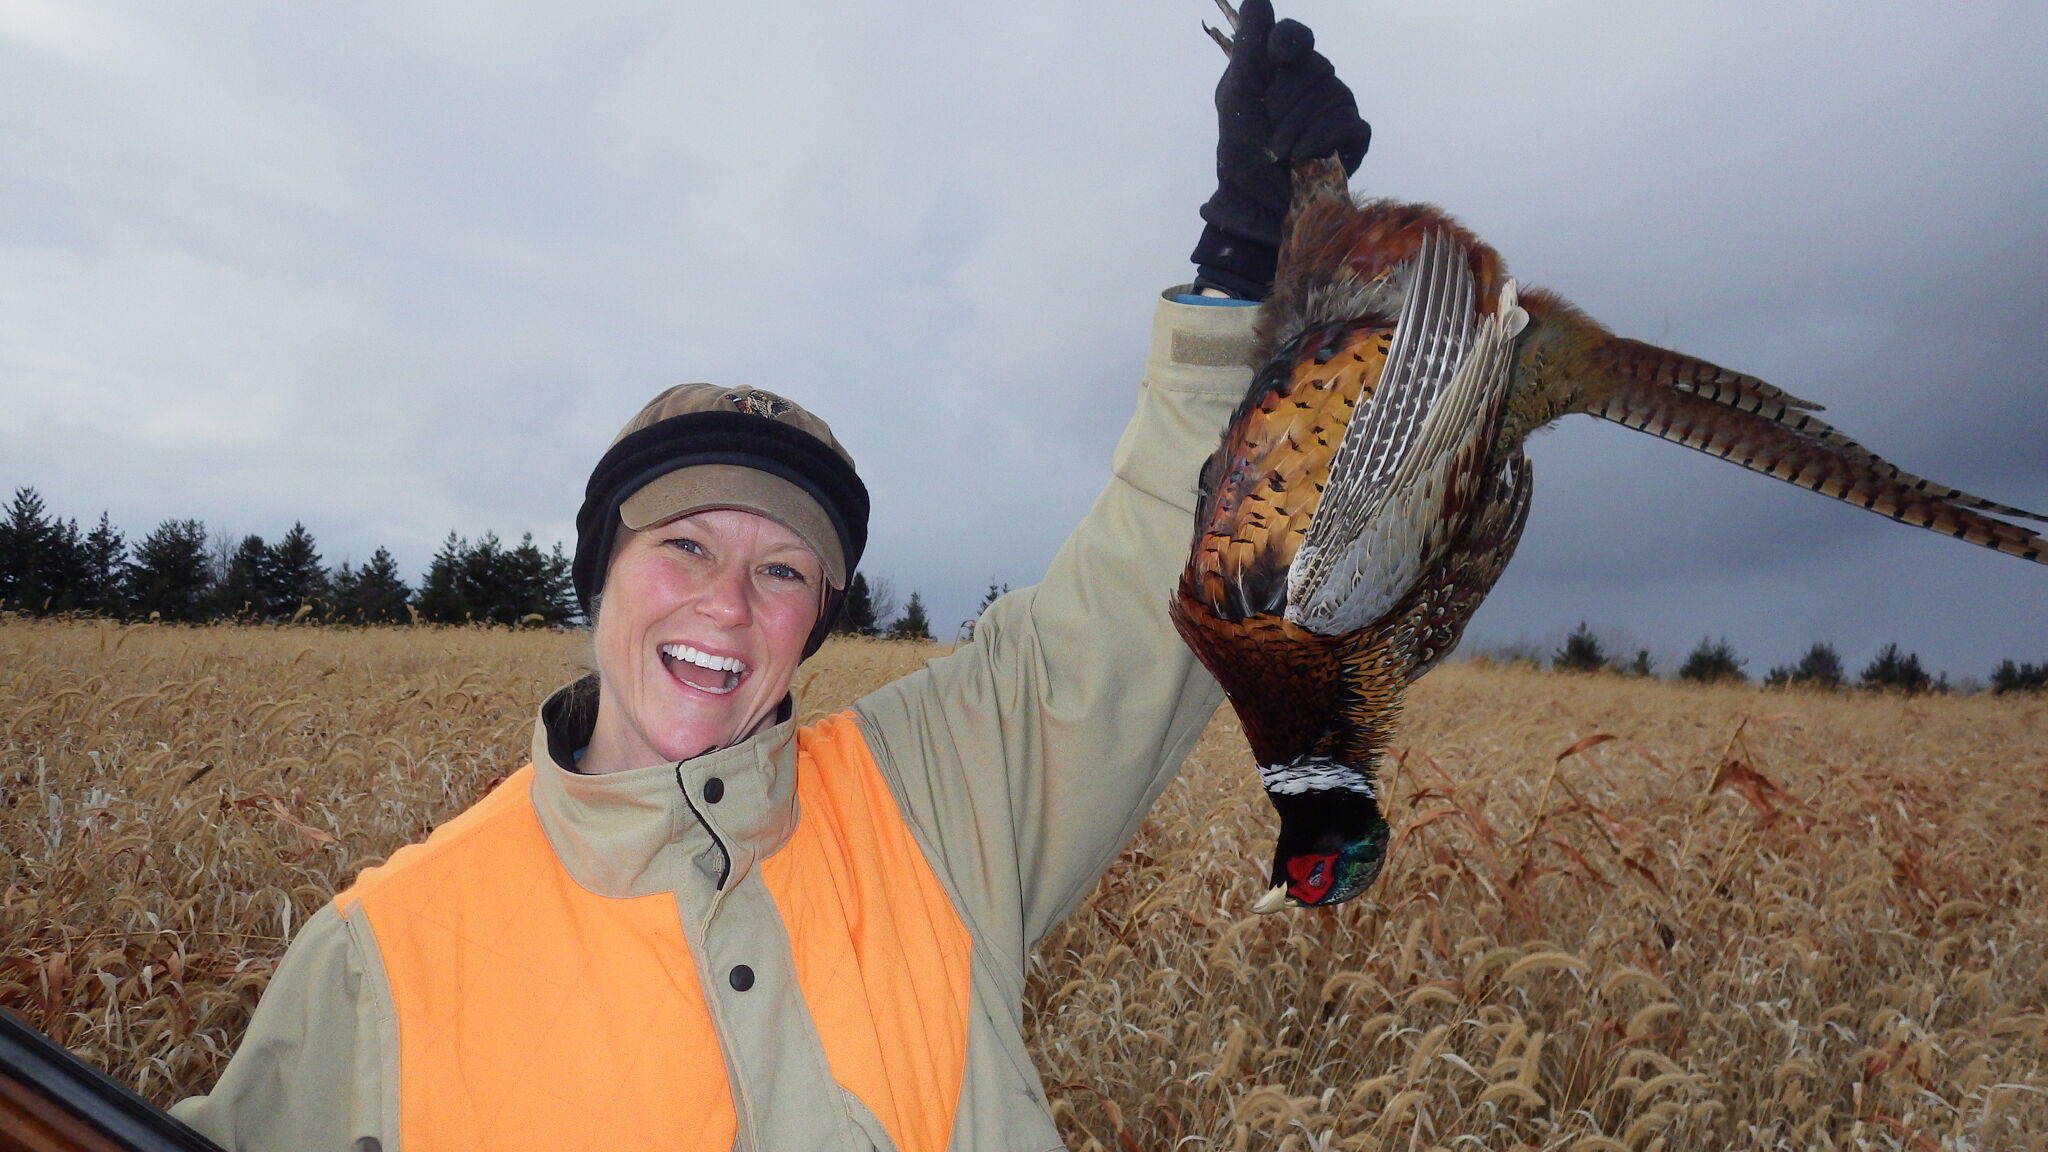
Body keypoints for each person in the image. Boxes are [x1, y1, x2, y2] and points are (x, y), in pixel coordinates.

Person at [169, 4, 1368, 1148]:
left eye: (783, 570)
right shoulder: (382, 953)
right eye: (683, 544)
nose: (728, 604)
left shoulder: (936, 796)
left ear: (816, 624)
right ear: (601, 577)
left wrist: (1248, 267)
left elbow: (1148, 570)